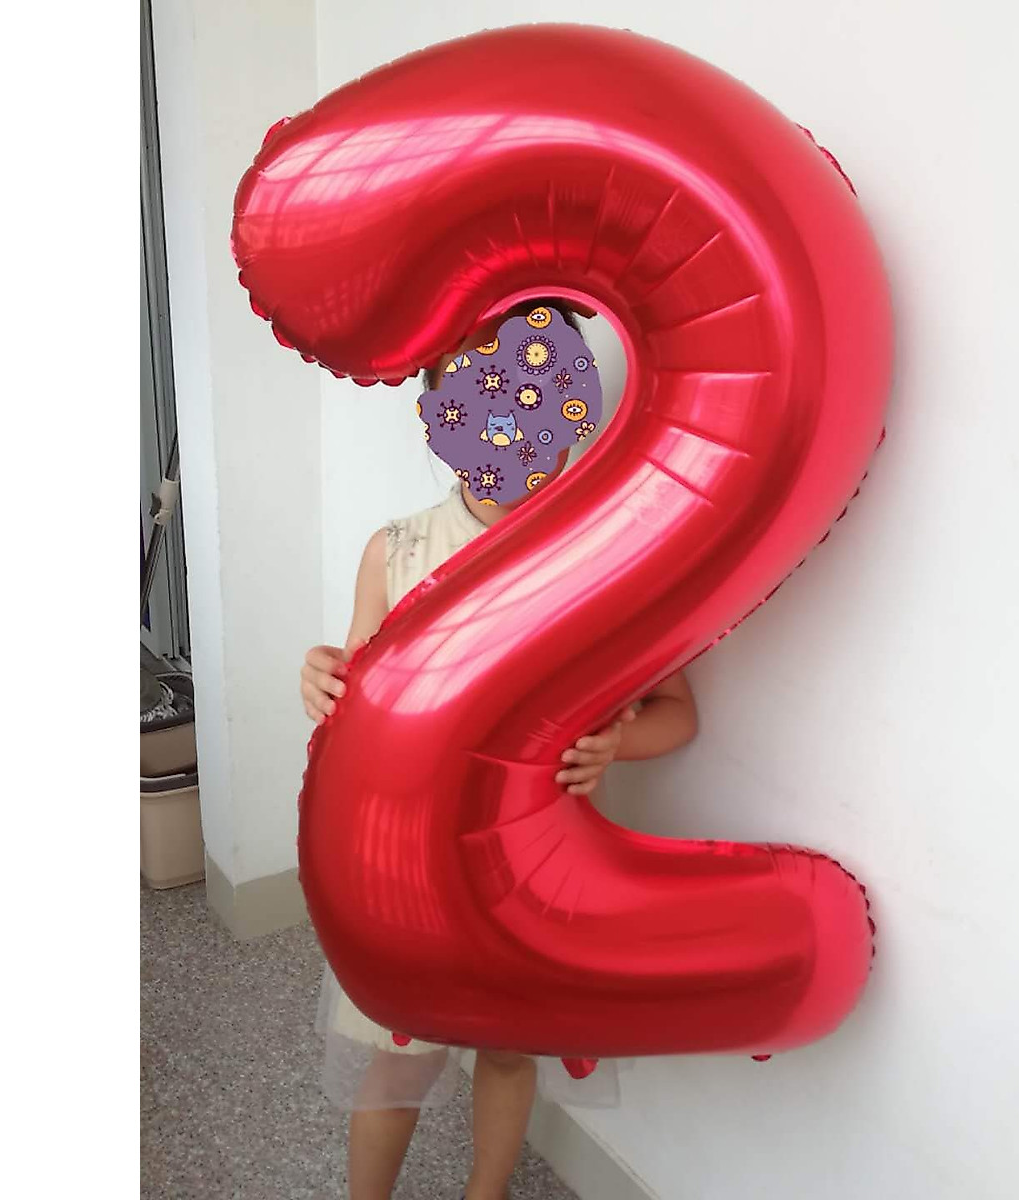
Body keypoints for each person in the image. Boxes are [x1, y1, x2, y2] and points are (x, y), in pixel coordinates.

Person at [300, 300, 698, 1200]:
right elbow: (353, 702)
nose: (504, 411)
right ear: (439, 402)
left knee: (510, 1050)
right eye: (477, 386)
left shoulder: (605, 559)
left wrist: (617, 740)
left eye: (530, 383)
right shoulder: (397, 550)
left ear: (571, 403)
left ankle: (488, 1193)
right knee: (396, 1056)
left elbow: (677, 713)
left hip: (531, 869)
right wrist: (320, 681)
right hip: (404, 866)